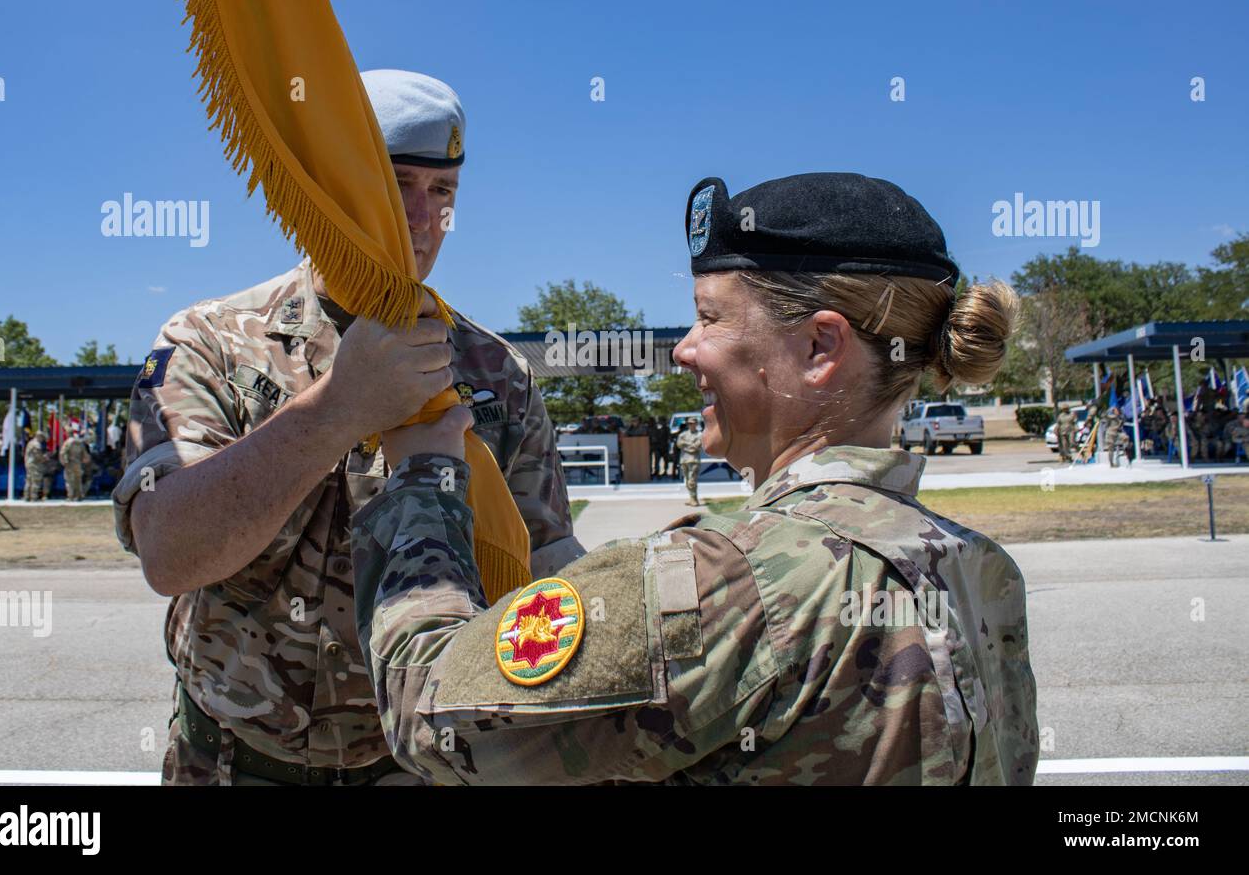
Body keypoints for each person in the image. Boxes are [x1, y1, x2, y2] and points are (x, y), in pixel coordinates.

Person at [351, 171, 1039, 785]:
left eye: (710, 316)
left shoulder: (724, 582)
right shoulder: (978, 570)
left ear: (819, 346)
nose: (685, 348)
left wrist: (422, 476)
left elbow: (427, 711)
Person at [114, 69, 582, 786]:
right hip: (234, 761)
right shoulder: (211, 340)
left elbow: (543, 561)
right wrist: (338, 410)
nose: (424, 221)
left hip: (410, 766)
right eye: (398, 185)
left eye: (443, 192)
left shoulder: (496, 373)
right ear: (333, 184)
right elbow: (170, 553)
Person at [676, 416, 704, 505]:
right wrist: (690, 445)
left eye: (692, 423)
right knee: (687, 481)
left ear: (696, 424)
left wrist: (686, 444)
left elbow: (696, 447)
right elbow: (679, 444)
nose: (691, 425)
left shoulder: (700, 434)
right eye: (689, 423)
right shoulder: (683, 434)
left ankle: (694, 499)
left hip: (694, 460)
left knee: (692, 481)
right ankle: (691, 498)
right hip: (684, 459)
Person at [60, 429, 93, 500]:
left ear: (68, 433)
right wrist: (85, 461)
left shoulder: (67, 442)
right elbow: (85, 454)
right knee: (78, 480)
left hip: (70, 463)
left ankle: (71, 496)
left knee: (69, 480)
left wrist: (64, 462)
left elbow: (63, 453)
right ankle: (79, 495)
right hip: (78, 463)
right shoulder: (79, 442)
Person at [24, 433, 53, 502]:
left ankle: (27, 496)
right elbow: (38, 456)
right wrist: (45, 457)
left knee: (29, 480)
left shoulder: (30, 443)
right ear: (39, 436)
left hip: (29, 464)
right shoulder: (36, 444)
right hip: (35, 464)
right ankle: (34, 497)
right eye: (42, 437)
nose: (42, 439)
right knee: (35, 481)